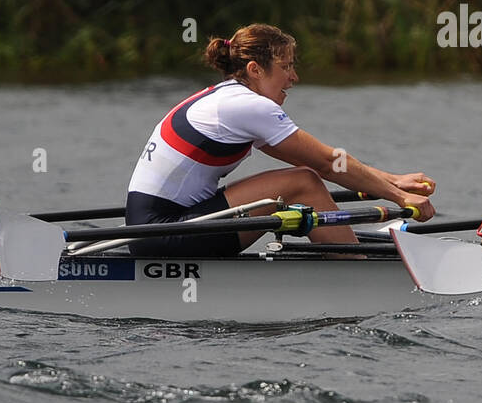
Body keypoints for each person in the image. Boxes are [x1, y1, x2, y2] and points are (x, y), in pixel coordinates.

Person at [125, 23, 436, 256]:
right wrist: (399, 198)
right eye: (286, 67)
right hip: (164, 232)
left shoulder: (227, 99)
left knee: (302, 179)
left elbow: (323, 161)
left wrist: (393, 182)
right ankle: (354, 271)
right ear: (255, 69)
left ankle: (346, 256)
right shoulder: (248, 106)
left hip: (155, 228)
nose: (294, 77)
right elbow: (328, 164)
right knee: (304, 182)